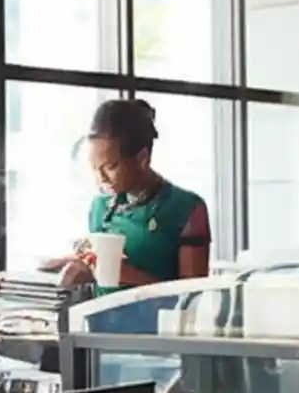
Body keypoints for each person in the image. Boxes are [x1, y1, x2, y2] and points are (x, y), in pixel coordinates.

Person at [43, 99, 211, 333]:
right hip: (99, 342)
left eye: (110, 167)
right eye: (94, 167)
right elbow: (96, 270)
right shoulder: (100, 206)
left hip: (158, 346)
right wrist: (77, 263)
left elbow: (192, 301)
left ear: (143, 158)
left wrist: (130, 276)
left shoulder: (187, 209)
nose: (101, 178)